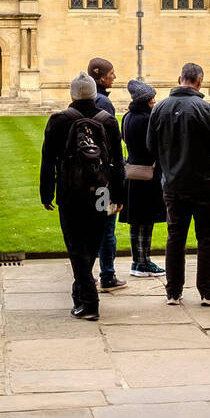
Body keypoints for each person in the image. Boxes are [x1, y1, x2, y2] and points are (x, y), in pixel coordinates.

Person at [40, 72, 125, 319]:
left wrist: (47, 193)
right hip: (101, 191)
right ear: (93, 93)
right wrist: (118, 195)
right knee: (92, 243)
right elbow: (117, 163)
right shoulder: (108, 121)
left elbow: (48, 161)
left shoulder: (58, 121)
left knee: (76, 246)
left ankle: (88, 302)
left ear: (72, 94)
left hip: (70, 192)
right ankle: (81, 292)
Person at [146, 62, 210, 306]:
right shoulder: (205, 108)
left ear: (179, 78)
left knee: (175, 236)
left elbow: (151, 146)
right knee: (207, 238)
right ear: (199, 81)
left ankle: (173, 291)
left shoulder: (159, 109)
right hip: (205, 185)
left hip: (173, 184)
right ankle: (207, 291)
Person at [87, 56, 127, 291]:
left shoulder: (82, 100)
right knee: (106, 227)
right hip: (104, 181)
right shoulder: (104, 104)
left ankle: (86, 274)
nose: (114, 77)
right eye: (111, 73)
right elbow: (111, 148)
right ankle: (108, 276)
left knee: (89, 227)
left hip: (86, 179)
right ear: (100, 76)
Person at [120, 79, 166, 277]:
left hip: (132, 172)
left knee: (136, 220)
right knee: (146, 219)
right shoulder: (147, 119)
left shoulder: (127, 117)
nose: (154, 101)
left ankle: (137, 261)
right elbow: (153, 145)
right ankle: (143, 262)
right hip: (147, 173)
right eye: (151, 98)